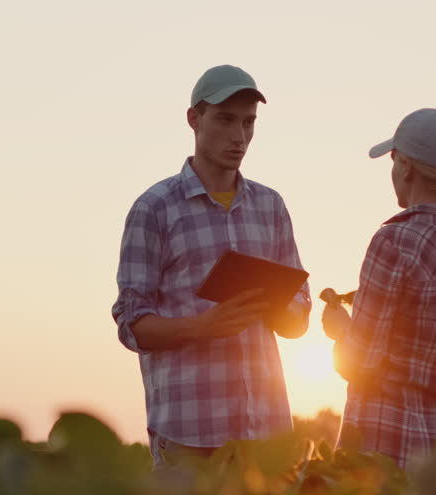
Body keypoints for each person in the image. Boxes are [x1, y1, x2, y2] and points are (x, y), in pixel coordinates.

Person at [112, 65, 310, 467]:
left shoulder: (270, 206)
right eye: (225, 120)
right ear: (193, 119)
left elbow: (299, 317)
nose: (239, 136)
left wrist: (276, 304)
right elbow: (131, 323)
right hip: (188, 433)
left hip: (266, 435)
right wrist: (202, 327)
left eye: (248, 123)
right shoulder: (154, 208)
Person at [322, 108, 436, 468]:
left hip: (384, 449)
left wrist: (342, 329)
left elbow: (359, 362)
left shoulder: (392, 241)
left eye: (393, 161)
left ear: (405, 167)